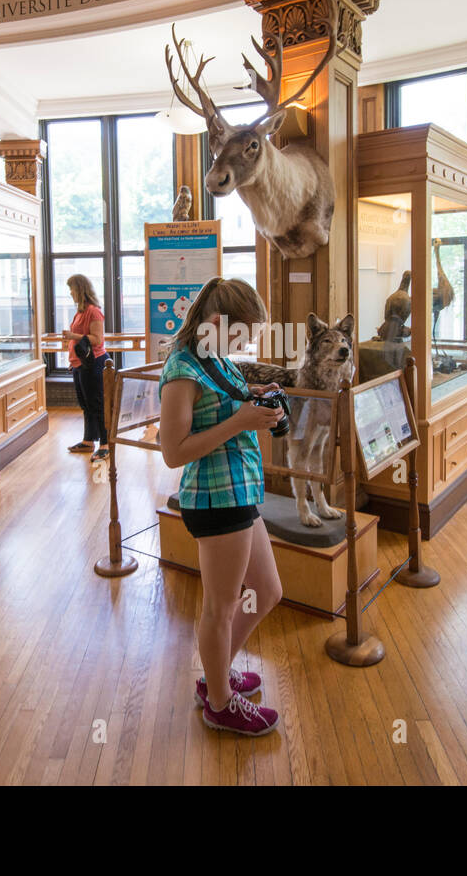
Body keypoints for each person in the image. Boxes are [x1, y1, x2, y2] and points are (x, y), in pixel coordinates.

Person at [158, 277, 285, 736]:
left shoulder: (214, 359)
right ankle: (219, 701)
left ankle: (215, 677)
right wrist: (241, 421)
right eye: (241, 335)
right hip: (215, 498)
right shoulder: (182, 370)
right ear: (215, 324)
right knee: (220, 608)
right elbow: (173, 451)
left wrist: (254, 400)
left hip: (239, 492)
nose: (245, 344)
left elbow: (227, 409)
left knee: (268, 591)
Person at [63, 274, 109, 460]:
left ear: (80, 289)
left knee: (97, 404)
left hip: (94, 363)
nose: (71, 293)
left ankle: (105, 444)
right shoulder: (80, 311)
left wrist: (73, 336)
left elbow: (97, 339)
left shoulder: (93, 311)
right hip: (80, 365)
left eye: (72, 289)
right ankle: (88, 441)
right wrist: (72, 362)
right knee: (86, 405)